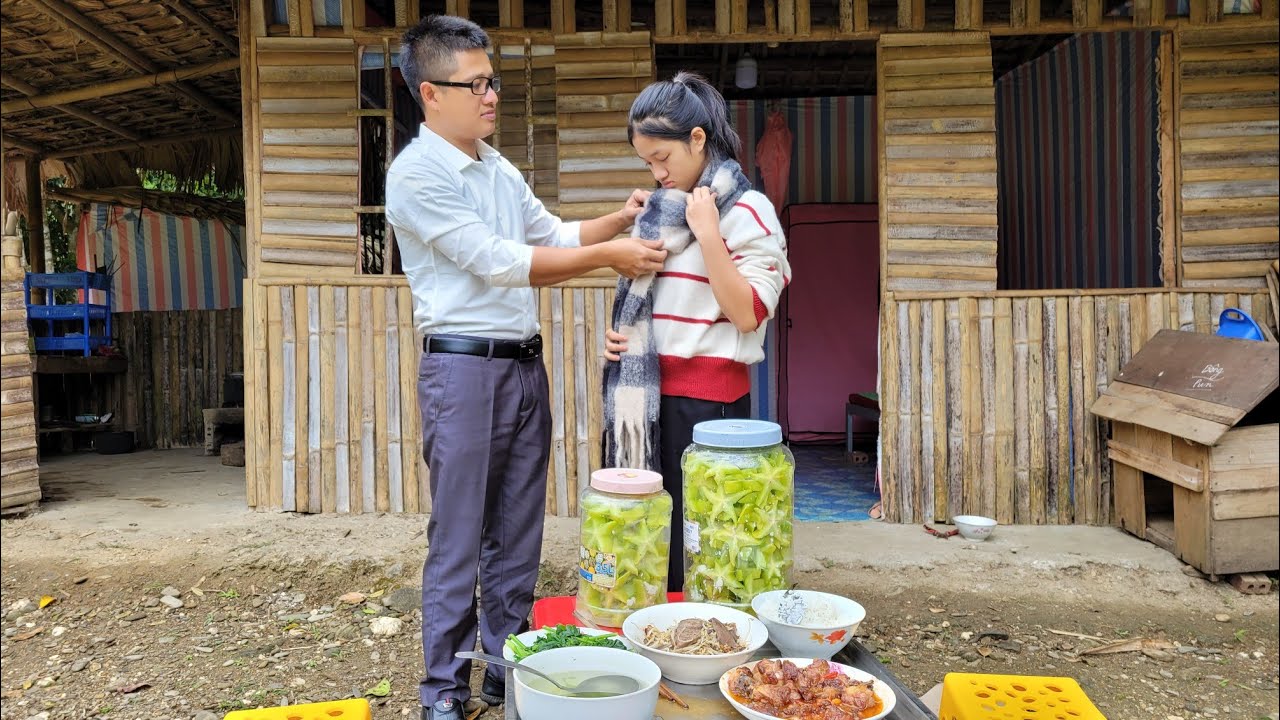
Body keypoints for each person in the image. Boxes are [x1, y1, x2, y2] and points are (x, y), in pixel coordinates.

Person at [385, 15, 667, 720]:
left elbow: (551, 233)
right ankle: (441, 695)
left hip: (520, 370)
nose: (490, 96)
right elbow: (503, 263)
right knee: (458, 541)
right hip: (463, 373)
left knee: (517, 534)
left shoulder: (496, 165)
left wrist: (618, 220)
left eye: (492, 81)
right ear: (431, 93)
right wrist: (608, 258)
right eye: (474, 84)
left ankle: (501, 670)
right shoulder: (416, 174)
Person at [602, 72, 791, 593]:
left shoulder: (746, 211)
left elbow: (748, 313)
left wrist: (709, 235)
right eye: (647, 163)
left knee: (705, 538)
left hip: (709, 404)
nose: (657, 171)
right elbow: (647, 306)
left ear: (698, 139)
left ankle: (704, 647)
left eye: (663, 157)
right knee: (654, 536)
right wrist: (623, 341)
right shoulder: (661, 215)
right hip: (649, 394)